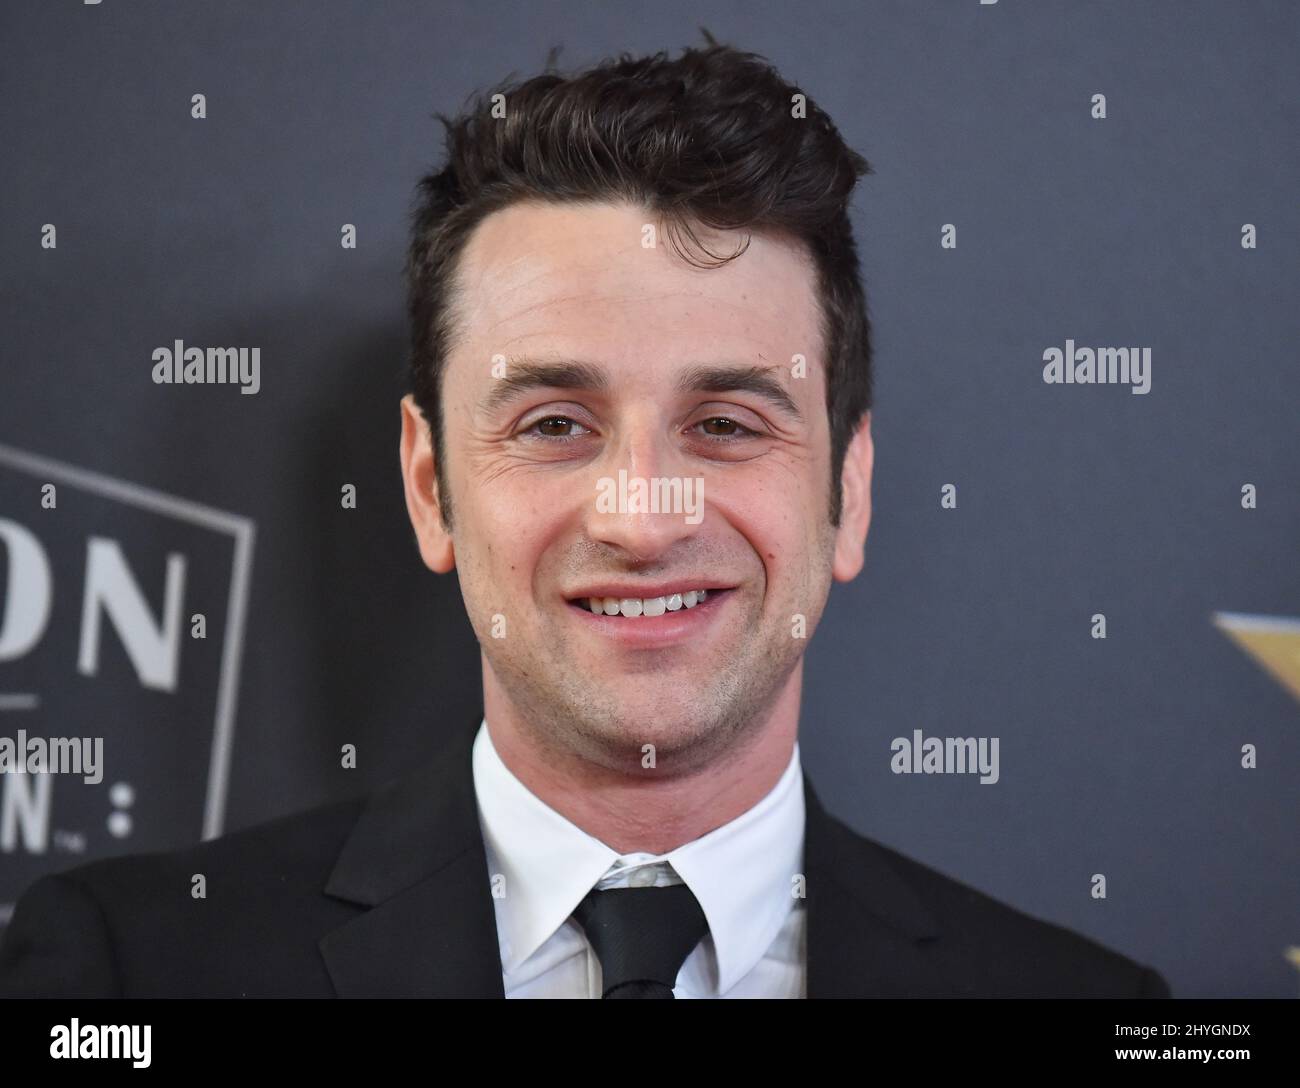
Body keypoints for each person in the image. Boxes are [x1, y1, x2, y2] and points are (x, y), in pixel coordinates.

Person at [0, 41, 1170, 999]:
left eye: (726, 422)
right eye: (555, 424)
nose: (641, 518)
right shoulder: (124, 974)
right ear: (428, 485)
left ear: (847, 493)